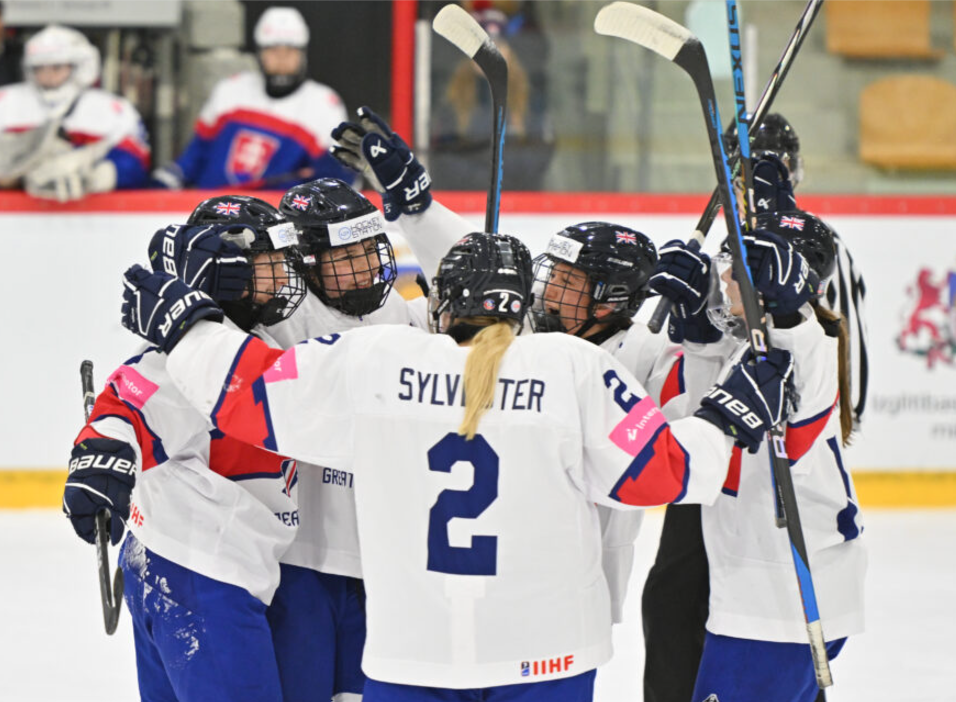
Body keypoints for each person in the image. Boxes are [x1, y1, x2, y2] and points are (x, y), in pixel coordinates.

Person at [119, 227, 795, 702]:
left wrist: (187, 324)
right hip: (550, 655)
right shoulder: (576, 368)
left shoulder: (381, 359)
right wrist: (729, 416)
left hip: (412, 653)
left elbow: (250, 396)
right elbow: (664, 473)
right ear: (520, 300)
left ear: (443, 305)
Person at [642, 113, 871, 702]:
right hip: (750, 580)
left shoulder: (806, 346)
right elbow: (697, 422)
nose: (725, 283)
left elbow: (805, 365)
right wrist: (695, 331)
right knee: (670, 602)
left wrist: (789, 311)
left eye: (736, 275)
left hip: (777, 592)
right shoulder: (744, 342)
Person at [63, 196, 307, 702]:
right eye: (267, 265)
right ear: (224, 273)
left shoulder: (246, 337)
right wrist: (100, 451)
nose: (283, 275)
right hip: (202, 578)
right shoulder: (192, 354)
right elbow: (132, 399)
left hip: (177, 567)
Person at [527, 222, 686, 625]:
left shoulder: (650, 353)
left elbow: (679, 441)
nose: (547, 292)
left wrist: (700, 338)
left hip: (593, 553)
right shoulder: (522, 331)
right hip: (515, 539)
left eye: (566, 282)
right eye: (551, 276)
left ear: (608, 300)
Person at [152, 6, 354, 190]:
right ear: (260, 53)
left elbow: (336, 178)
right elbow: (196, 154)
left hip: (277, 219)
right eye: (273, 51)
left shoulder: (324, 104)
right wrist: (170, 177)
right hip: (211, 208)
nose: (281, 60)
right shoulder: (231, 89)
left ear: (302, 54)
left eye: (289, 52)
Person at [0, 24, 150, 200]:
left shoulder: (112, 108)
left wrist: (104, 175)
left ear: (80, 66)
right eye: (39, 68)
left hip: (93, 219)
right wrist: (16, 175)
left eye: (56, 67)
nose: (47, 75)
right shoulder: (6, 101)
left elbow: (138, 162)